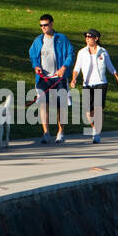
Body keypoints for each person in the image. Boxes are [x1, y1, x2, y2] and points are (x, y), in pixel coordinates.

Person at [71, 29, 118, 143]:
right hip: (87, 84)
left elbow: (111, 67)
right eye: (86, 37)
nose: (87, 39)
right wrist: (74, 79)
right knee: (88, 112)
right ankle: (94, 128)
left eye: (89, 37)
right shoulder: (82, 52)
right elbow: (76, 68)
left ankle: (97, 133)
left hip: (101, 83)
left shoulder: (103, 52)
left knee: (98, 108)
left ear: (96, 38)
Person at [28, 14, 75, 144]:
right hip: (44, 79)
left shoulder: (61, 38)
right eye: (41, 25)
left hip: (59, 78)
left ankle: (60, 132)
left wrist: (64, 68)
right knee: (43, 105)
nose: (43, 27)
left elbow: (70, 53)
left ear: (52, 24)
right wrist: (36, 66)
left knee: (61, 106)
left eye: (45, 25)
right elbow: (33, 56)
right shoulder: (38, 40)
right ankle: (46, 133)